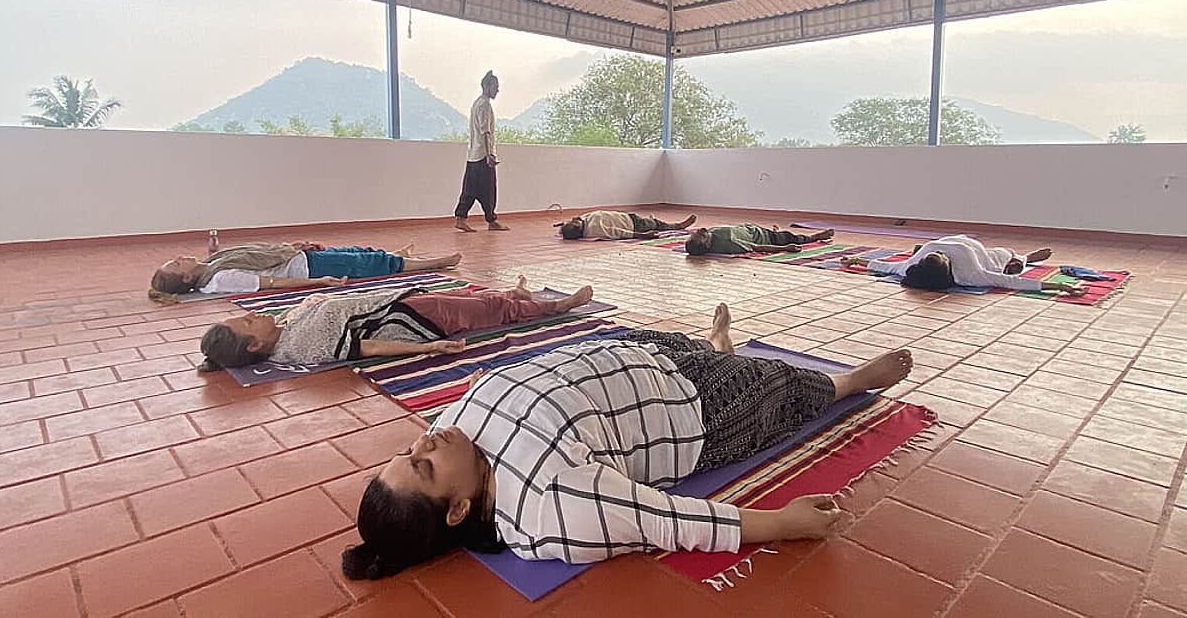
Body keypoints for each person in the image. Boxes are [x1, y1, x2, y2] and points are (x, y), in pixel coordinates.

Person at [340, 303, 914, 578]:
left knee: (683, 341)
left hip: (630, 352)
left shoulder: (451, 434)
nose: (422, 445)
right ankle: (848, 382)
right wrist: (781, 524)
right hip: (696, 409)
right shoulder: (545, 508)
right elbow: (664, 518)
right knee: (780, 386)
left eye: (406, 452)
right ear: (460, 507)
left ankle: (713, 345)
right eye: (422, 467)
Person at [197, 276, 594, 370]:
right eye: (248, 323)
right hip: (410, 321)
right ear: (252, 346)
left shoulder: (283, 324)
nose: (254, 315)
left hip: (400, 300)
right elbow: (367, 348)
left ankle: (518, 295)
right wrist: (426, 348)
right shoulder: (300, 348)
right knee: (490, 310)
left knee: (472, 297)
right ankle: (554, 307)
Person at [149, 241, 462, 302]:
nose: (180, 258)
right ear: (187, 279)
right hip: (308, 267)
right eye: (177, 264)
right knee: (375, 264)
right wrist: (317, 282)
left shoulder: (215, 262)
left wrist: (294, 245)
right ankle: (433, 264)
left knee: (360, 252)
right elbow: (272, 282)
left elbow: (264, 255)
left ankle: (398, 255)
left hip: (301, 256)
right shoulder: (219, 278)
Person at [840, 234, 1084, 295]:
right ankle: (1027, 258)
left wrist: (856, 260)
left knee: (916, 249)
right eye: (937, 258)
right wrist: (1060, 287)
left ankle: (1021, 259)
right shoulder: (970, 275)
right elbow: (1010, 282)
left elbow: (883, 266)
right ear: (946, 268)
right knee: (1007, 258)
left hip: (958, 237)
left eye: (928, 256)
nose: (932, 254)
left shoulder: (911, 266)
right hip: (985, 255)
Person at [454, 70, 508, 233]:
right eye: (495, 87)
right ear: (486, 86)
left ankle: (461, 218)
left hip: (473, 154)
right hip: (482, 155)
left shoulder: (477, 103)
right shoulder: (484, 105)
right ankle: (491, 221)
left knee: (470, 188)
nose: (497, 90)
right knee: (488, 189)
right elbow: (486, 132)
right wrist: (489, 154)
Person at [685, 223, 835, 256]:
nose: (698, 230)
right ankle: (814, 237)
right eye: (697, 235)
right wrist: (785, 248)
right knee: (789, 237)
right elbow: (757, 247)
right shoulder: (729, 243)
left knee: (780, 233)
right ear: (705, 242)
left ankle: (776, 230)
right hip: (767, 237)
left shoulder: (710, 233)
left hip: (752, 228)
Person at [559, 210, 697, 240]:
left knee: (651, 221)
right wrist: (642, 236)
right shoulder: (594, 229)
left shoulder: (584, 220)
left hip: (626, 217)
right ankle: (677, 226)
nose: (573, 219)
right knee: (654, 223)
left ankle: (657, 222)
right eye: (572, 222)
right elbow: (619, 232)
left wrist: (563, 226)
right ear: (578, 227)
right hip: (633, 225)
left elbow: (570, 226)